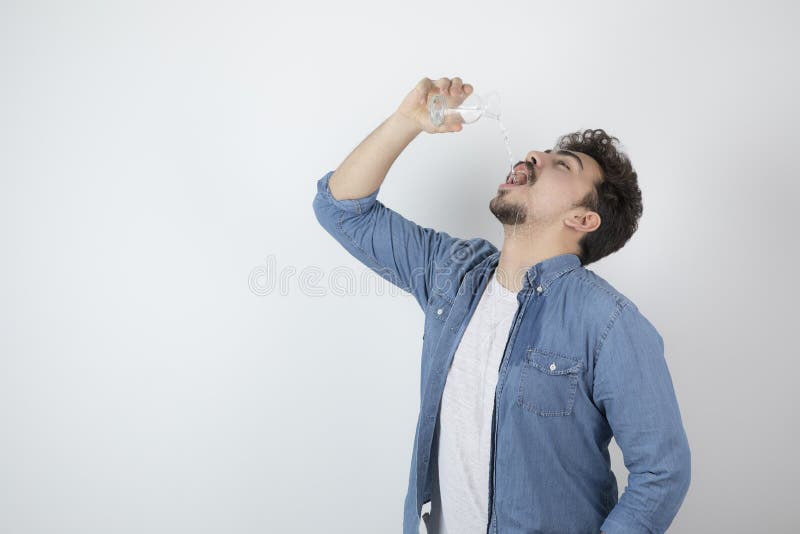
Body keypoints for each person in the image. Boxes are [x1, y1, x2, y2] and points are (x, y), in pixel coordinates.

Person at [312, 77, 691, 534]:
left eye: (562, 165)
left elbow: (662, 473)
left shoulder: (609, 323)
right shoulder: (452, 273)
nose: (535, 154)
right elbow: (340, 208)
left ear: (582, 219)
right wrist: (405, 123)